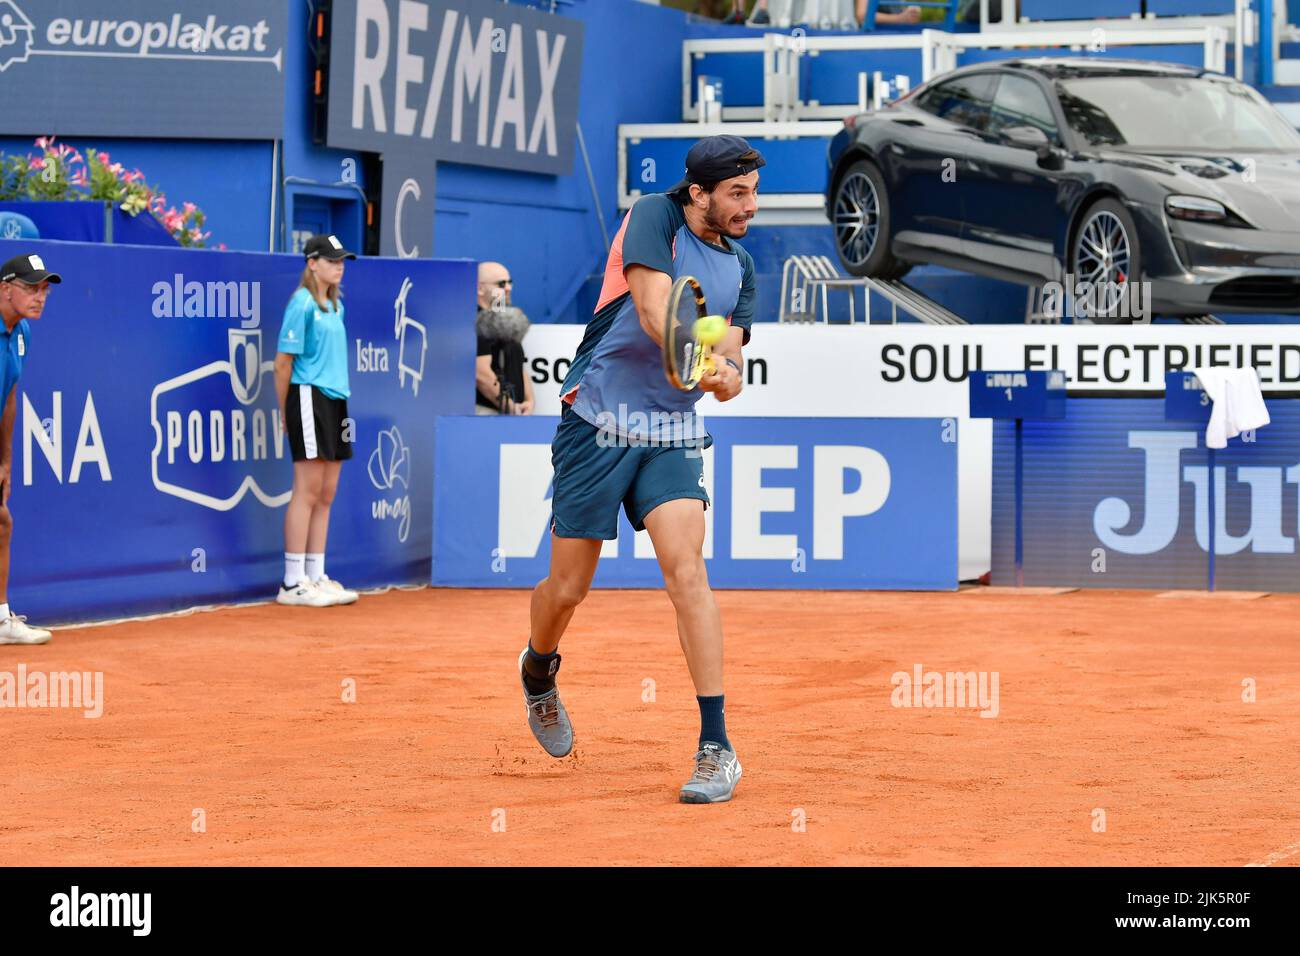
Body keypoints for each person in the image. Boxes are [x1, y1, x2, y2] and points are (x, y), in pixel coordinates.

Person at [519, 135, 760, 804]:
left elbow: (732, 362)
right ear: (699, 193)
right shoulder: (654, 215)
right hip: (595, 423)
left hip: (673, 433)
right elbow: (657, 316)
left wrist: (723, 377)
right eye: (737, 193)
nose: (751, 206)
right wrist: (699, 362)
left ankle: (716, 746)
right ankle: (538, 668)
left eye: (754, 192)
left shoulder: (740, 268)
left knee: (688, 571)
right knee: (567, 590)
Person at [274, 234, 360, 608]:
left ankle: (316, 575)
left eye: (342, 260)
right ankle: (292, 582)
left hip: (336, 400)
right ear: (312, 263)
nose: (339, 265)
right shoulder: (301, 303)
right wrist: (284, 412)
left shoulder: (335, 306)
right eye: (331, 260)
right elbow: (282, 364)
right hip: (307, 397)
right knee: (307, 490)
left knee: (327, 493)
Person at [0, 253, 59, 645]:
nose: (40, 297)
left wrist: (5, 458)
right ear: (5, 289)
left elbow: (9, 396)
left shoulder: (21, 333)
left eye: (44, 290)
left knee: (2, 523)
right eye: (30, 288)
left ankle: (2, 618)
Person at [475, 262, 534, 416]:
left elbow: (519, 365)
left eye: (509, 282)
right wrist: (510, 407)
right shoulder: (475, 322)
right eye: (501, 283)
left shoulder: (505, 320)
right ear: (480, 288)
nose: (508, 288)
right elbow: (481, 374)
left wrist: (529, 401)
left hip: (512, 413)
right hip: (488, 414)